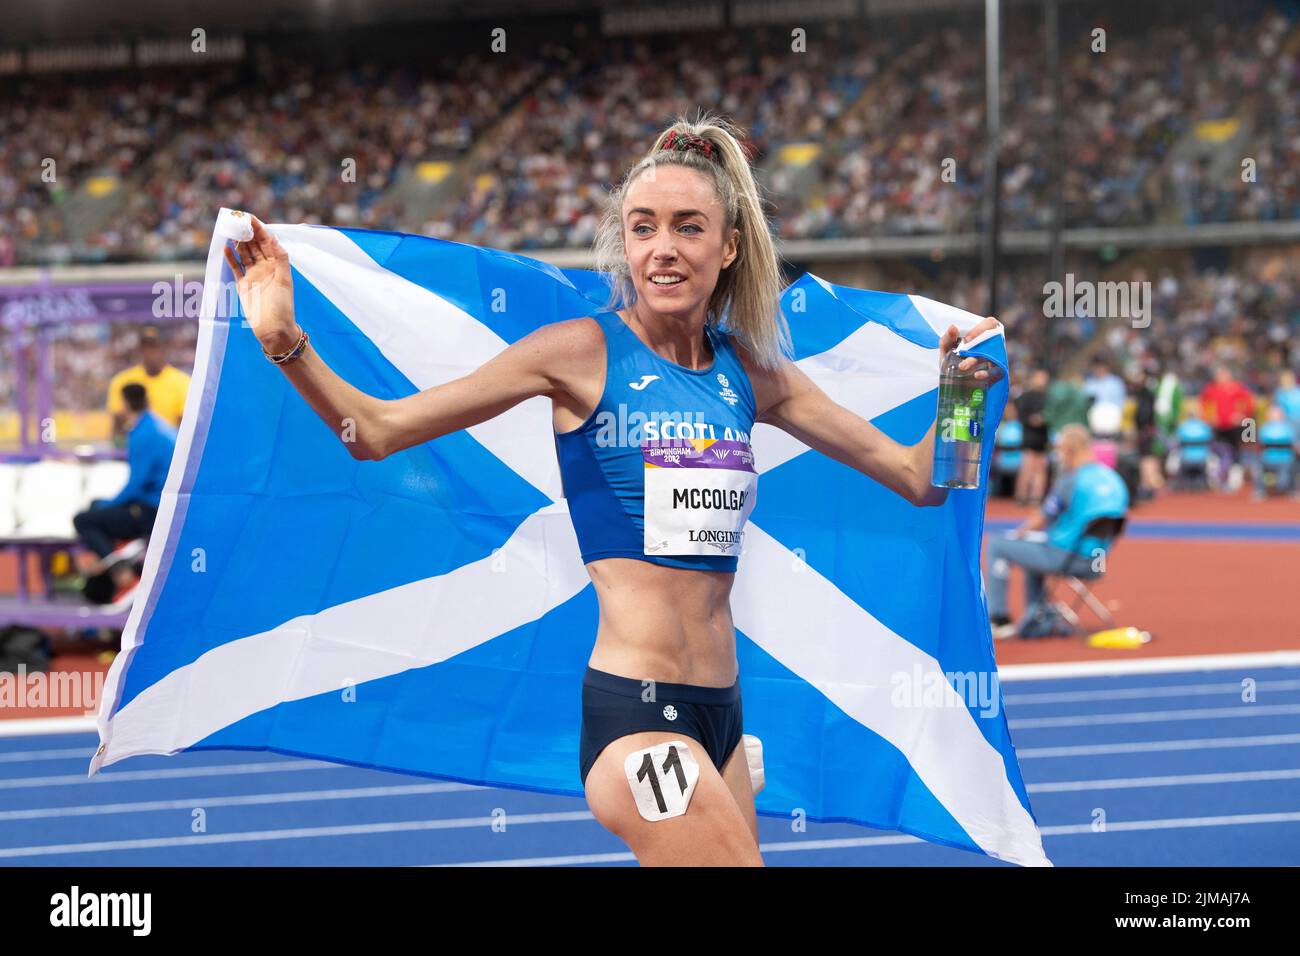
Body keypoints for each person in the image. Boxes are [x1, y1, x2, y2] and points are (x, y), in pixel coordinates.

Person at [221, 114, 1002, 866]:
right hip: (639, 719)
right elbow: (377, 431)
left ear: (730, 246)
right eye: (643, 226)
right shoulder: (579, 353)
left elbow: (921, 481)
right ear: (623, 242)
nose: (663, 249)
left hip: (722, 719)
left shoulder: (751, 372)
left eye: (688, 227)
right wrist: (284, 340)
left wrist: (960, 400)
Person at [985, 424, 1129, 639]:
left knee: (997, 545)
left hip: (1068, 556)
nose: (1059, 457)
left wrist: (1018, 533)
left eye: (1060, 451)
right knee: (1034, 552)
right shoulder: (1113, 479)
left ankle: (999, 619)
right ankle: (1037, 614)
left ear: (1070, 450)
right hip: (1097, 560)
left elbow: (1043, 517)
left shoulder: (1072, 480)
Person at [73, 383, 178, 586]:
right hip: (160, 504)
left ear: (126, 405)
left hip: (151, 510)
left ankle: (121, 571)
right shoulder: (158, 426)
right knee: (96, 506)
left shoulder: (143, 433)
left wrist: (108, 504)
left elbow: (136, 485)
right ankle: (124, 563)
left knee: (82, 520)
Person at [106, 324, 191, 438]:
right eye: (145, 347)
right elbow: (117, 426)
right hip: (136, 446)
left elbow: (185, 426)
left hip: (169, 448)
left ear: (164, 348)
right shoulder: (122, 380)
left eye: (154, 346)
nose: (149, 352)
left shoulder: (182, 382)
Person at [1199, 365, 1255, 491]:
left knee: (1236, 451)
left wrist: (1241, 415)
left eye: (1224, 374)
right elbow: (1203, 405)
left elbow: (1248, 403)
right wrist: (1209, 418)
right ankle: (1217, 478)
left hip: (1233, 427)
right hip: (1218, 427)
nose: (1221, 377)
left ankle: (1235, 479)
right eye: (1219, 375)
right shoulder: (1211, 389)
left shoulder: (1237, 388)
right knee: (1217, 452)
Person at [1014, 368, 1049, 505]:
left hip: (1042, 436)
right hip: (1029, 435)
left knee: (1040, 468)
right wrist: (1031, 420)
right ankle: (1022, 496)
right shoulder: (1026, 396)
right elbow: (1021, 414)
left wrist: (1043, 419)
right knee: (1027, 467)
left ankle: (1036, 497)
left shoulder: (1048, 397)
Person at [1250, 406, 1296, 500]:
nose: (1274, 416)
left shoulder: (1289, 428)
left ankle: (1292, 490)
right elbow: (1259, 445)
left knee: (1282, 484)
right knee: (1255, 467)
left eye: (1277, 414)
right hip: (1266, 459)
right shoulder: (1264, 428)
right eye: (1272, 414)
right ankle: (1259, 491)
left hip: (1285, 460)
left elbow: (1295, 444)